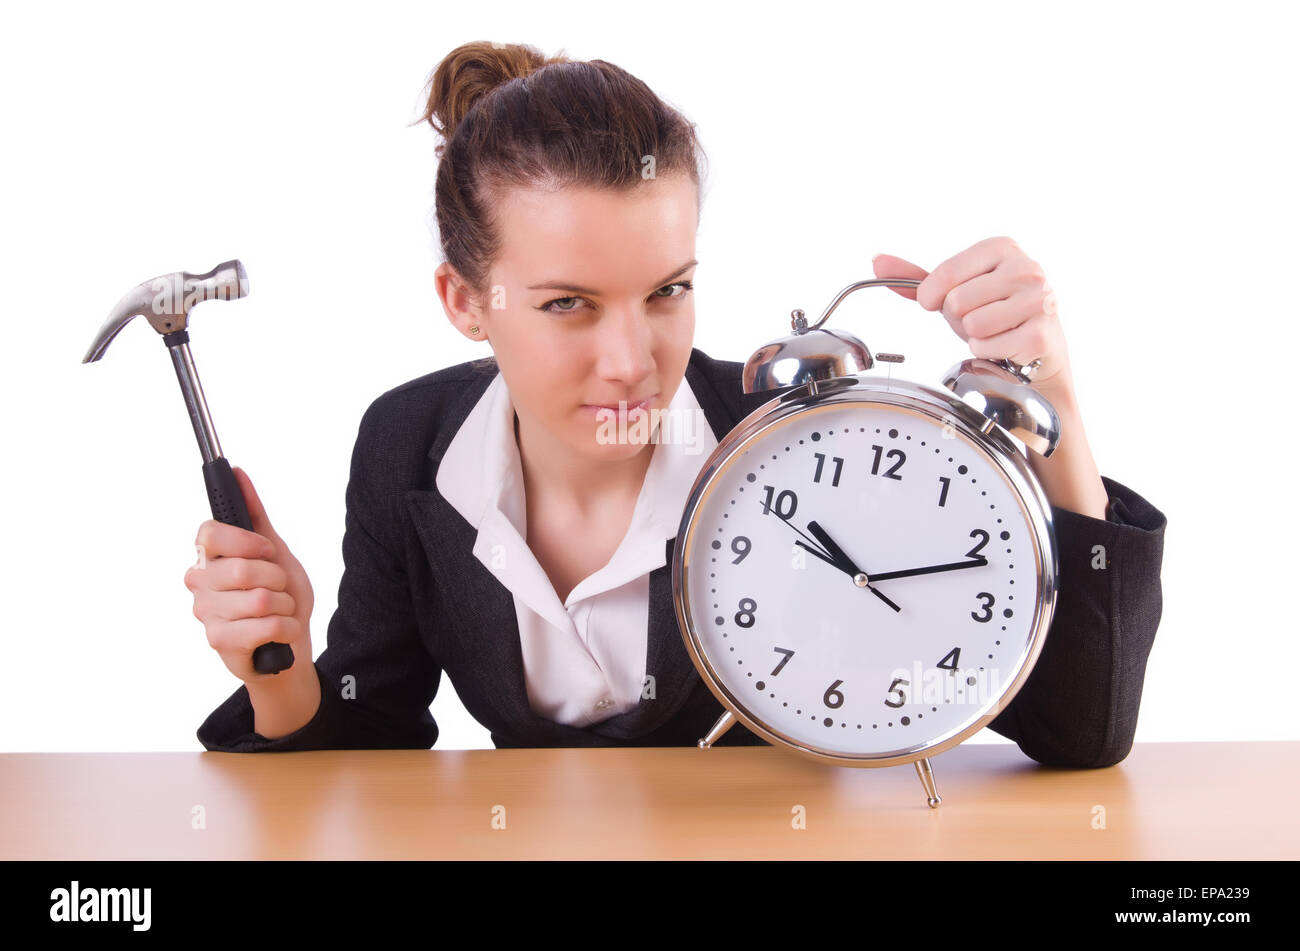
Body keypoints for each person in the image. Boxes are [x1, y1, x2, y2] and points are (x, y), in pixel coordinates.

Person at [189, 41, 1167, 765]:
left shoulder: (793, 447)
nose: (631, 362)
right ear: (464, 302)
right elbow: (370, 732)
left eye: (666, 292)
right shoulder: (409, 443)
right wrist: (275, 666)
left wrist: (1059, 407)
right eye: (568, 305)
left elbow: (1079, 733)